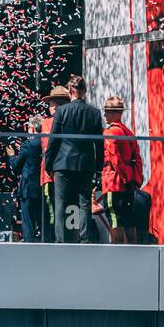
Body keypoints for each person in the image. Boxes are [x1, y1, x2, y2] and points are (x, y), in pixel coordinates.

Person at [44, 75, 103, 243]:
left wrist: (48, 163)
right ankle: (85, 239)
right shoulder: (94, 113)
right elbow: (99, 144)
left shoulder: (62, 111)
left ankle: (60, 240)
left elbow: (54, 139)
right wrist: (98, 167)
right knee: (84, 204)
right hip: (85, 164)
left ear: (70, 91)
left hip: (63, 163)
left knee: (60, 204)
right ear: (84, 91)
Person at [101, 95, 143, 244]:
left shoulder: (110, 132)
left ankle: (117, 254)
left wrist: (123, 176)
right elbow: (137, 156)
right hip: (128, 183)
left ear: (113, 113)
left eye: (106, 111)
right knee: (128, 220)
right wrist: (131, 179)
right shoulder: (128, 131)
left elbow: (114, 158)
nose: (105, 114)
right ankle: (132, 251)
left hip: (114, 182)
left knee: (114, 220)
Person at [38, 86, 70, 242]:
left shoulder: (48, 123)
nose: (52, 107)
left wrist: (48, 168)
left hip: (51, 174)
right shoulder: (71, 121)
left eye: (55, 103)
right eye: (51, 103)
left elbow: (47, 147)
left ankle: (54, 240)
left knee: (53, 209)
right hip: (68, 171)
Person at [6, 115, 43, 242]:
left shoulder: (28, 145)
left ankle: (29, 247)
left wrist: (12, 156)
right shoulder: (45, 143)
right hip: (42, 187)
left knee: (28, 223)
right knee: (43, 222)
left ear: (32, 129)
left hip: (28, 189)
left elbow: (16, 166)